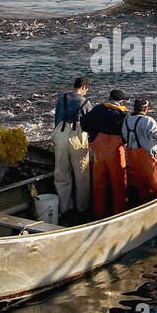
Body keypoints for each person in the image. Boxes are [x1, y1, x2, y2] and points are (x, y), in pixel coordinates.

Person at [82, 88, 130, 217]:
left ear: (109, 98)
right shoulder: (124, 115)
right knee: (119, 185)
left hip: (99, 152)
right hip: (115, 154)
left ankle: (99, 213)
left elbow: (84, 124)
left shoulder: (98, 109)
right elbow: (127, 136)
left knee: (98, 184)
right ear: (121, 101)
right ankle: (119, 214)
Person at [121, 98, 157, 204]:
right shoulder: (148, 121)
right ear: (146, 109)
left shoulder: (127, 121)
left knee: (142, 187)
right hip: (150, 160)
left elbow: (124, 136)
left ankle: (145, 205)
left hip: (134, 159)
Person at [52, 77, 92, 216]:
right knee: (81, 174)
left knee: (61, 172)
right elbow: (89, 124)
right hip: (77, 137)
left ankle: (65, 207)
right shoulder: (85, 102)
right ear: (84, 87)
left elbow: (57, 119)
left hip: (61, 133)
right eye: (86, 89)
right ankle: (82, 207)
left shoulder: (62, 98)